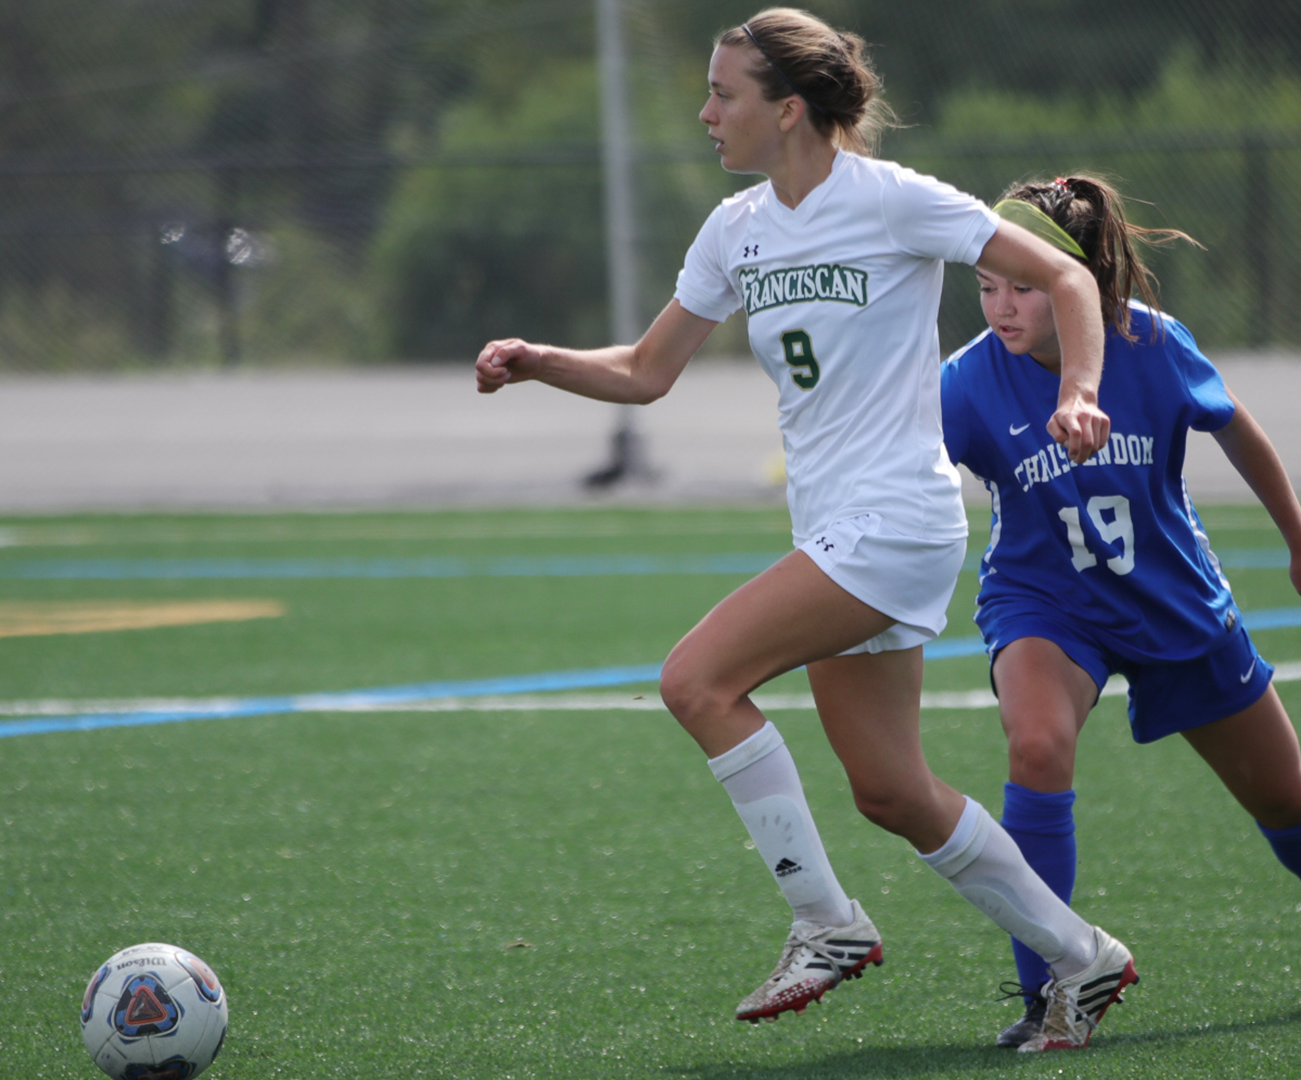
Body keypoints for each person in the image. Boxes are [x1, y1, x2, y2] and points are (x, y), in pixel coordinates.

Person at [477, 9, 1130, 1053]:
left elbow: (1066, 277)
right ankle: (1081, 956)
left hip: (897, 522)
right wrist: (542, 359)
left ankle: (825, 922)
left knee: (696, 680)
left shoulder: (894, 200)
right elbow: (648, 373)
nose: (705, 113)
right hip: (837, 527)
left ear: (788, 109)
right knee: (890, 790)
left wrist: (1083, 390)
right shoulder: (735, 228)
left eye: (723, 93)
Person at [939, 174, 1301, 1049]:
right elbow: (912, 479)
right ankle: (1050, 988)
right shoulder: (966, 383)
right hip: (1045, 600)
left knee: (1284, 795)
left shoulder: (1151, 344)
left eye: (1023, 283)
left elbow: (1240, 432)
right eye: (987, 282)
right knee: (1036, 746)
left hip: (1173, 598)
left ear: (1082, 278)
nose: (1000, 303)